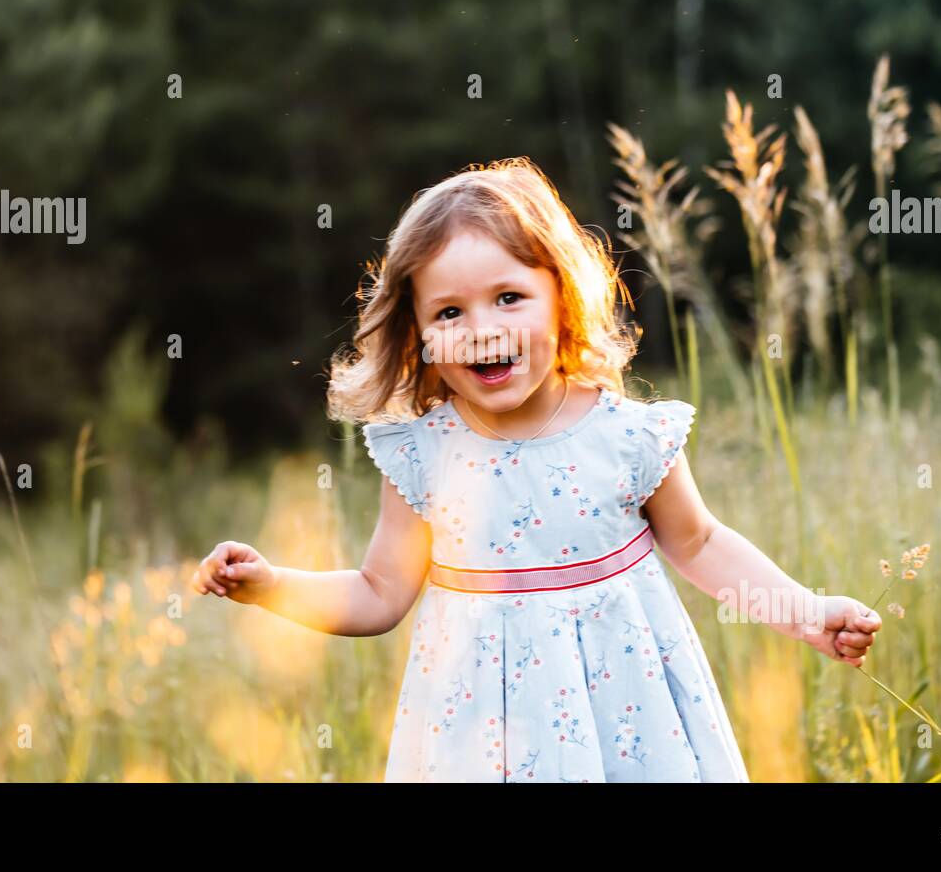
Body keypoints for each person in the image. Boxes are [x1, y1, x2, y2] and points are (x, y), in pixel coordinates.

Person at [192, 157, 882, 782]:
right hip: (479, 743)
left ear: (561, 294)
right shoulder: (425, 454)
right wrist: (272, 587)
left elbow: (699, 543)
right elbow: (378, 592)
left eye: (509, 297)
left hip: (631, 729)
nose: (483, 328)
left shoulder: (626, 435)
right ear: (420, 335)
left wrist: (805, 612)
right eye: (450, 311)